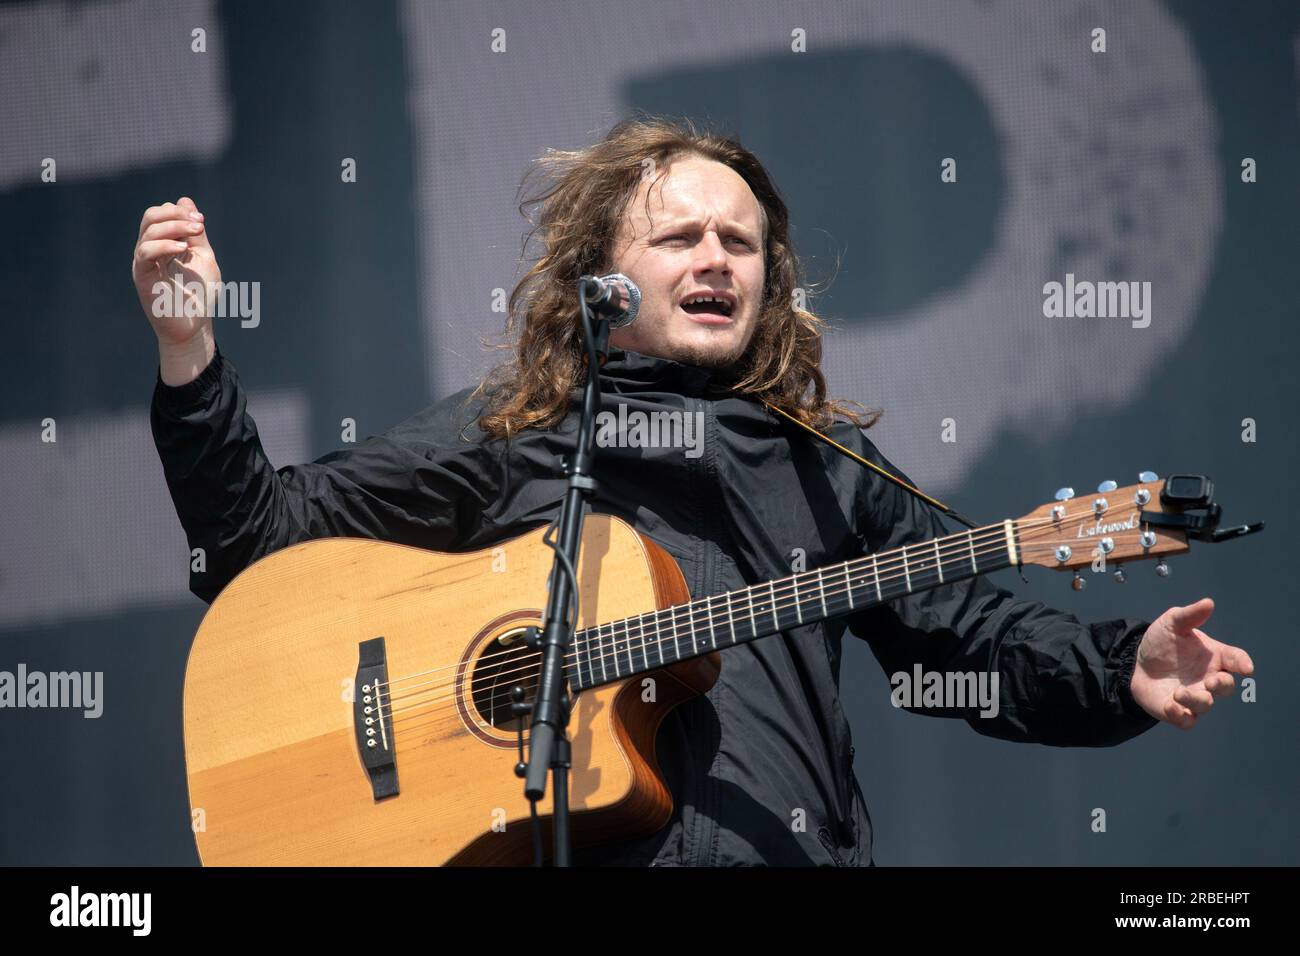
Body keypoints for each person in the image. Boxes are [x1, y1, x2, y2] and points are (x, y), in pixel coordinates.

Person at [133, 118, 1254, 866]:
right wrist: (190, 352)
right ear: (603, 274)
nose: (716, 256)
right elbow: (253, 546)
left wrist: (1118, 669)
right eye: (680, 236)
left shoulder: (823, 462)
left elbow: (964, 639)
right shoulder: (520, 437)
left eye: (741, 240)